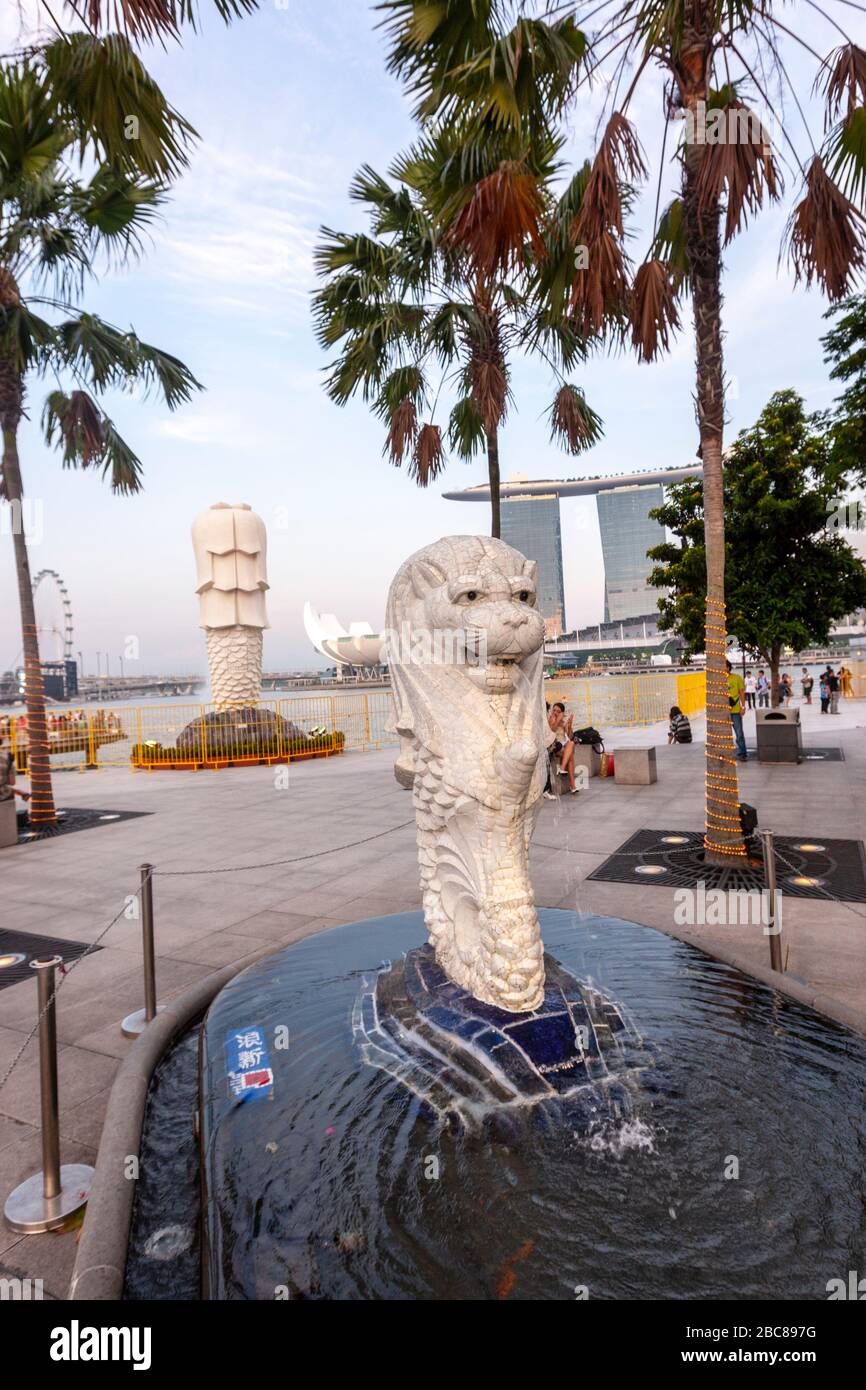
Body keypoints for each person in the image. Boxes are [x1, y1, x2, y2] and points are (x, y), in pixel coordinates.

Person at [547, 701, 579, 794]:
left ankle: (562, 769)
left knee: (571, 744)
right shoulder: (550, 720)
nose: (555, 713)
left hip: (564, 747)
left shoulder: (563, 722)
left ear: (562, 713)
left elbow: (569, 736)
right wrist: (557, 720)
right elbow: (551, 731)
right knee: (570, 755)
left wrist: (570, 725)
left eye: (558, 711)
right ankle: (572, 785)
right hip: (554, 746)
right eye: (554, 710)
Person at [726, 660, 748, 761]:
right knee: (724, 735)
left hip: (735, 711)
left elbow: (742, 693)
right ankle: (726, 753)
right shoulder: (717, 680)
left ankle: (742, 753)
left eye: (725, 666)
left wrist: (743, 707)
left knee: (739, 733)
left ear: (728, 667)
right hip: (722, 712)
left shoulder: (736, 678)